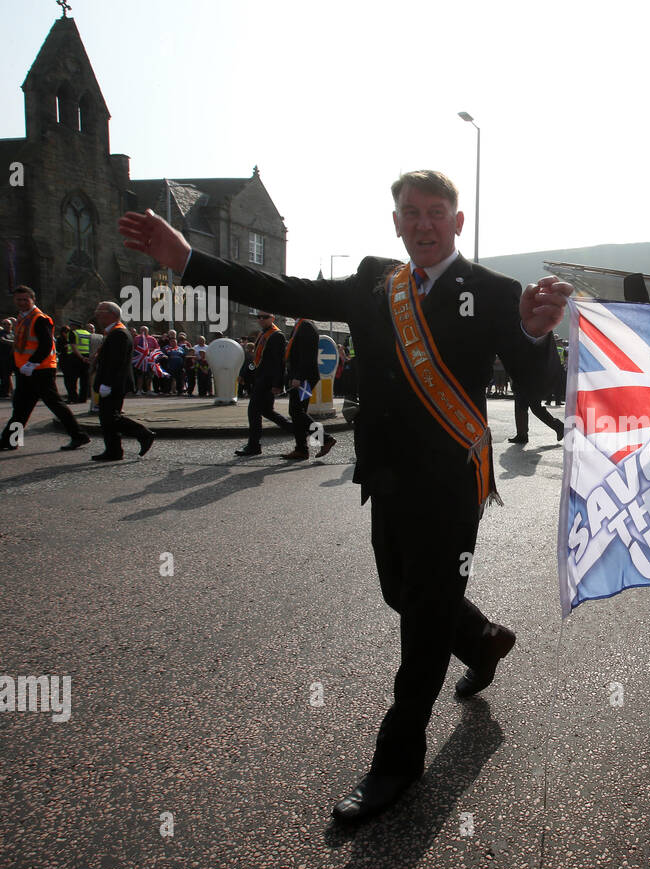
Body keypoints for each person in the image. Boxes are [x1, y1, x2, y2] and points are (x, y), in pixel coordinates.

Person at [119, 168, 570, 825]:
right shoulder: (373, 285)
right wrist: (185, 259)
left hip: (452, 485)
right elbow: (279, 286)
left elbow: (542, 380)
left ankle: (396, 762)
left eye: (436, 211)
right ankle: (478, 638)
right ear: (396, 222)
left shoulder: (496, 292)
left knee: (420, 619)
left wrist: (533, 333)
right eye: (411, 212)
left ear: (458, 221)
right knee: (399, 592)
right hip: (386, 476)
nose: (423, 222)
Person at [0, 287, 89, 453]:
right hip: (26, 370)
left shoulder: (40, 318)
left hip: (40, 369)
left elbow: (46, 344)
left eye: (25, 299)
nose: (22, 302)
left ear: (33, 299)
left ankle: (78, 435)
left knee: (54, 404)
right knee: (21, 407)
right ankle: (10, 440)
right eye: (19, 299)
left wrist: (31, 363)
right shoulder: (22, 318)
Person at [89, 301, 155, 462]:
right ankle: (113, 450)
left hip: (114, 383)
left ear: (112, 314)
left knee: (111, 418)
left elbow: (116, 362)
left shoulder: (119, 333)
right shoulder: (113, 332)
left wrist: (108, 383)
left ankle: (143, 434)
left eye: (101, 311)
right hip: (112, 382)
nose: (97, 314)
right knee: (107, 419)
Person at [233, 313, 291, 456]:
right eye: (258, 317)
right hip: (260, 378)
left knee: (253, 411)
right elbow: (256, 361)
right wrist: (245, 373)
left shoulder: (276, 335)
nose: (260, 319)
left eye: (264, 317)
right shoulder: (262, 335)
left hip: (267, 381)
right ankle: (298, 430)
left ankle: (254, 446)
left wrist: (278, 384)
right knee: (267, 411)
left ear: (272, 318)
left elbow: (279, 362)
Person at [282, 316, 337, 460]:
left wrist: (298, 377)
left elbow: (307, 356)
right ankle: (301, 449)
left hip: (304, 379)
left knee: (296, 411)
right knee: (297, 412)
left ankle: (325, 439)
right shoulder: (300, 325)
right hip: (301, 377)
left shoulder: (306, 326)